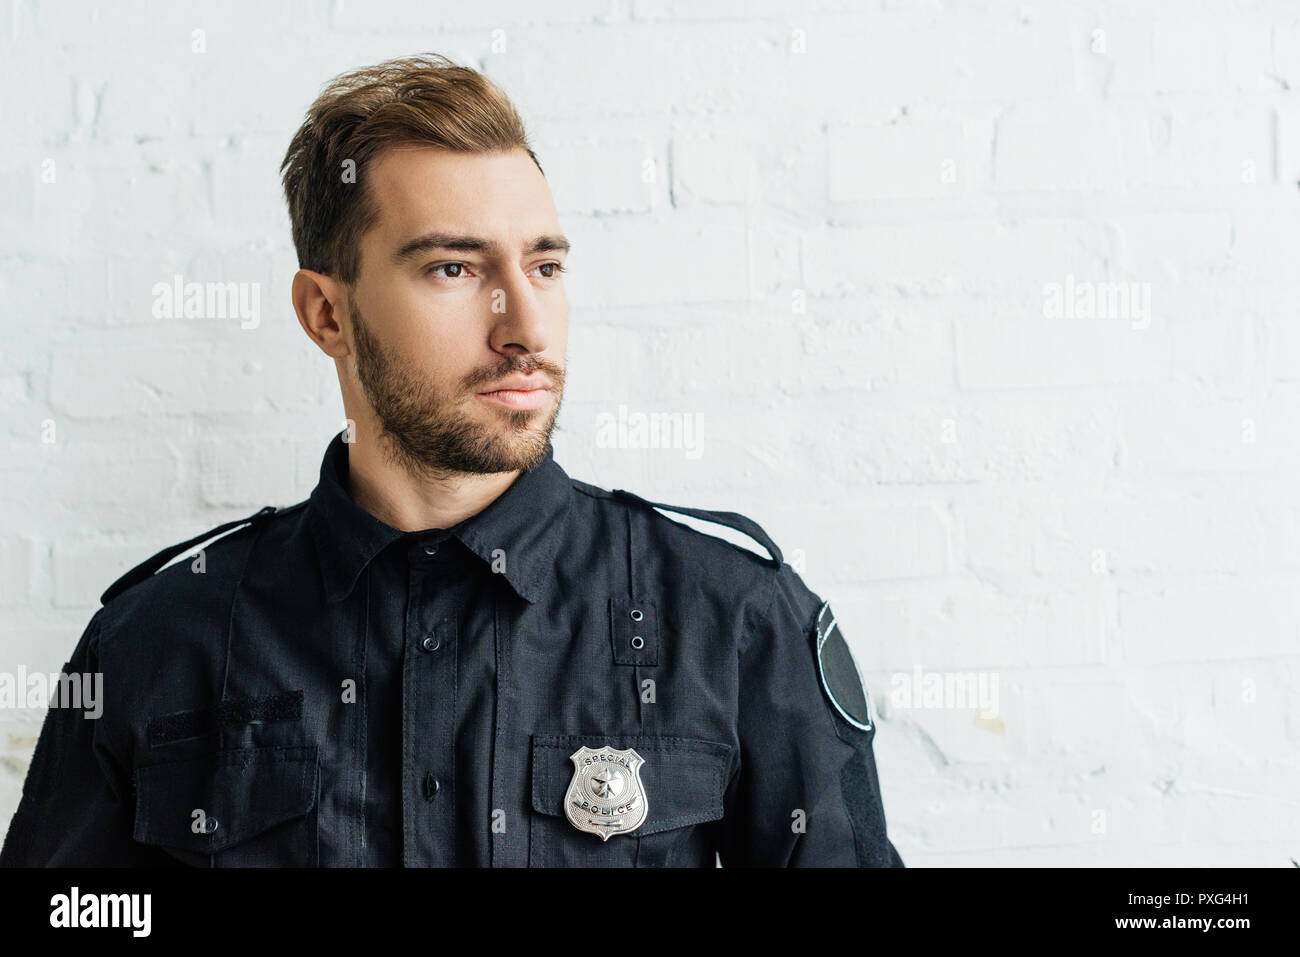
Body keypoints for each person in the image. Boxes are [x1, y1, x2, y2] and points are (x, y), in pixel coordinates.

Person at [0, 54, 903, 868]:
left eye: (544, 267)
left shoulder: (734, 620)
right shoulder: (159, 640)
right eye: (454, 270)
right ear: (326, 314)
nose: (525, 328)